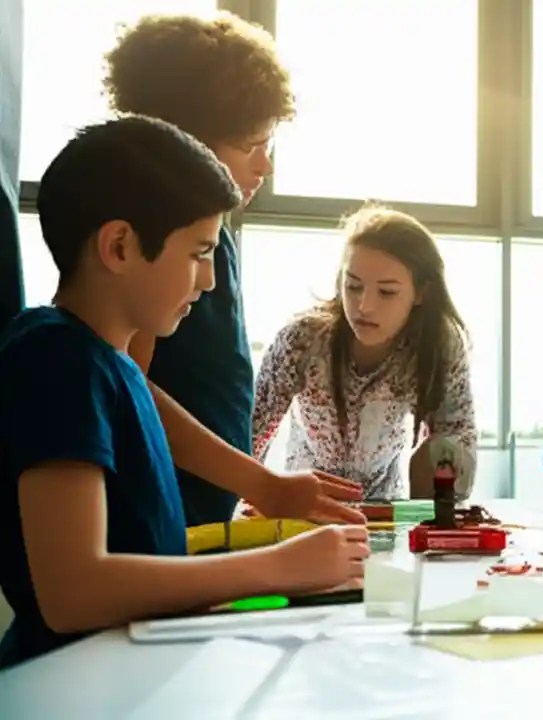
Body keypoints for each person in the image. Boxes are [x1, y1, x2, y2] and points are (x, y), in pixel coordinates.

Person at [0, 117, 369, 670]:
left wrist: (267, 495)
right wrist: (279, 567)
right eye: (199, 253)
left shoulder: (107, 365)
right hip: (69, 684)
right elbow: (73, 592)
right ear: (120, 246)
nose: (209, 280)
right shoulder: (56, 358)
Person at [104, 11, 339, 526]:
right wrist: (262, 483)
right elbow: (129, 387)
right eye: (249, 146)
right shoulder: (164, 242)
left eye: (268, 145)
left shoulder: (212, 238)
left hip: (200, 512)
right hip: (162, 510)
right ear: (184, 142)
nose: (265, 165)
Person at [252, 206, 478, 501]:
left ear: (421, 292)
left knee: (442, 450)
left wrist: (434, 510)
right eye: (353, 286)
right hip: (306, 505)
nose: (364, 306)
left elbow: (458, 436)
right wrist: (250, 499)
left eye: (387, 292)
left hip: (385, 508)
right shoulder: (302, 340)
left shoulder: (439, 344)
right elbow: (251, 431)